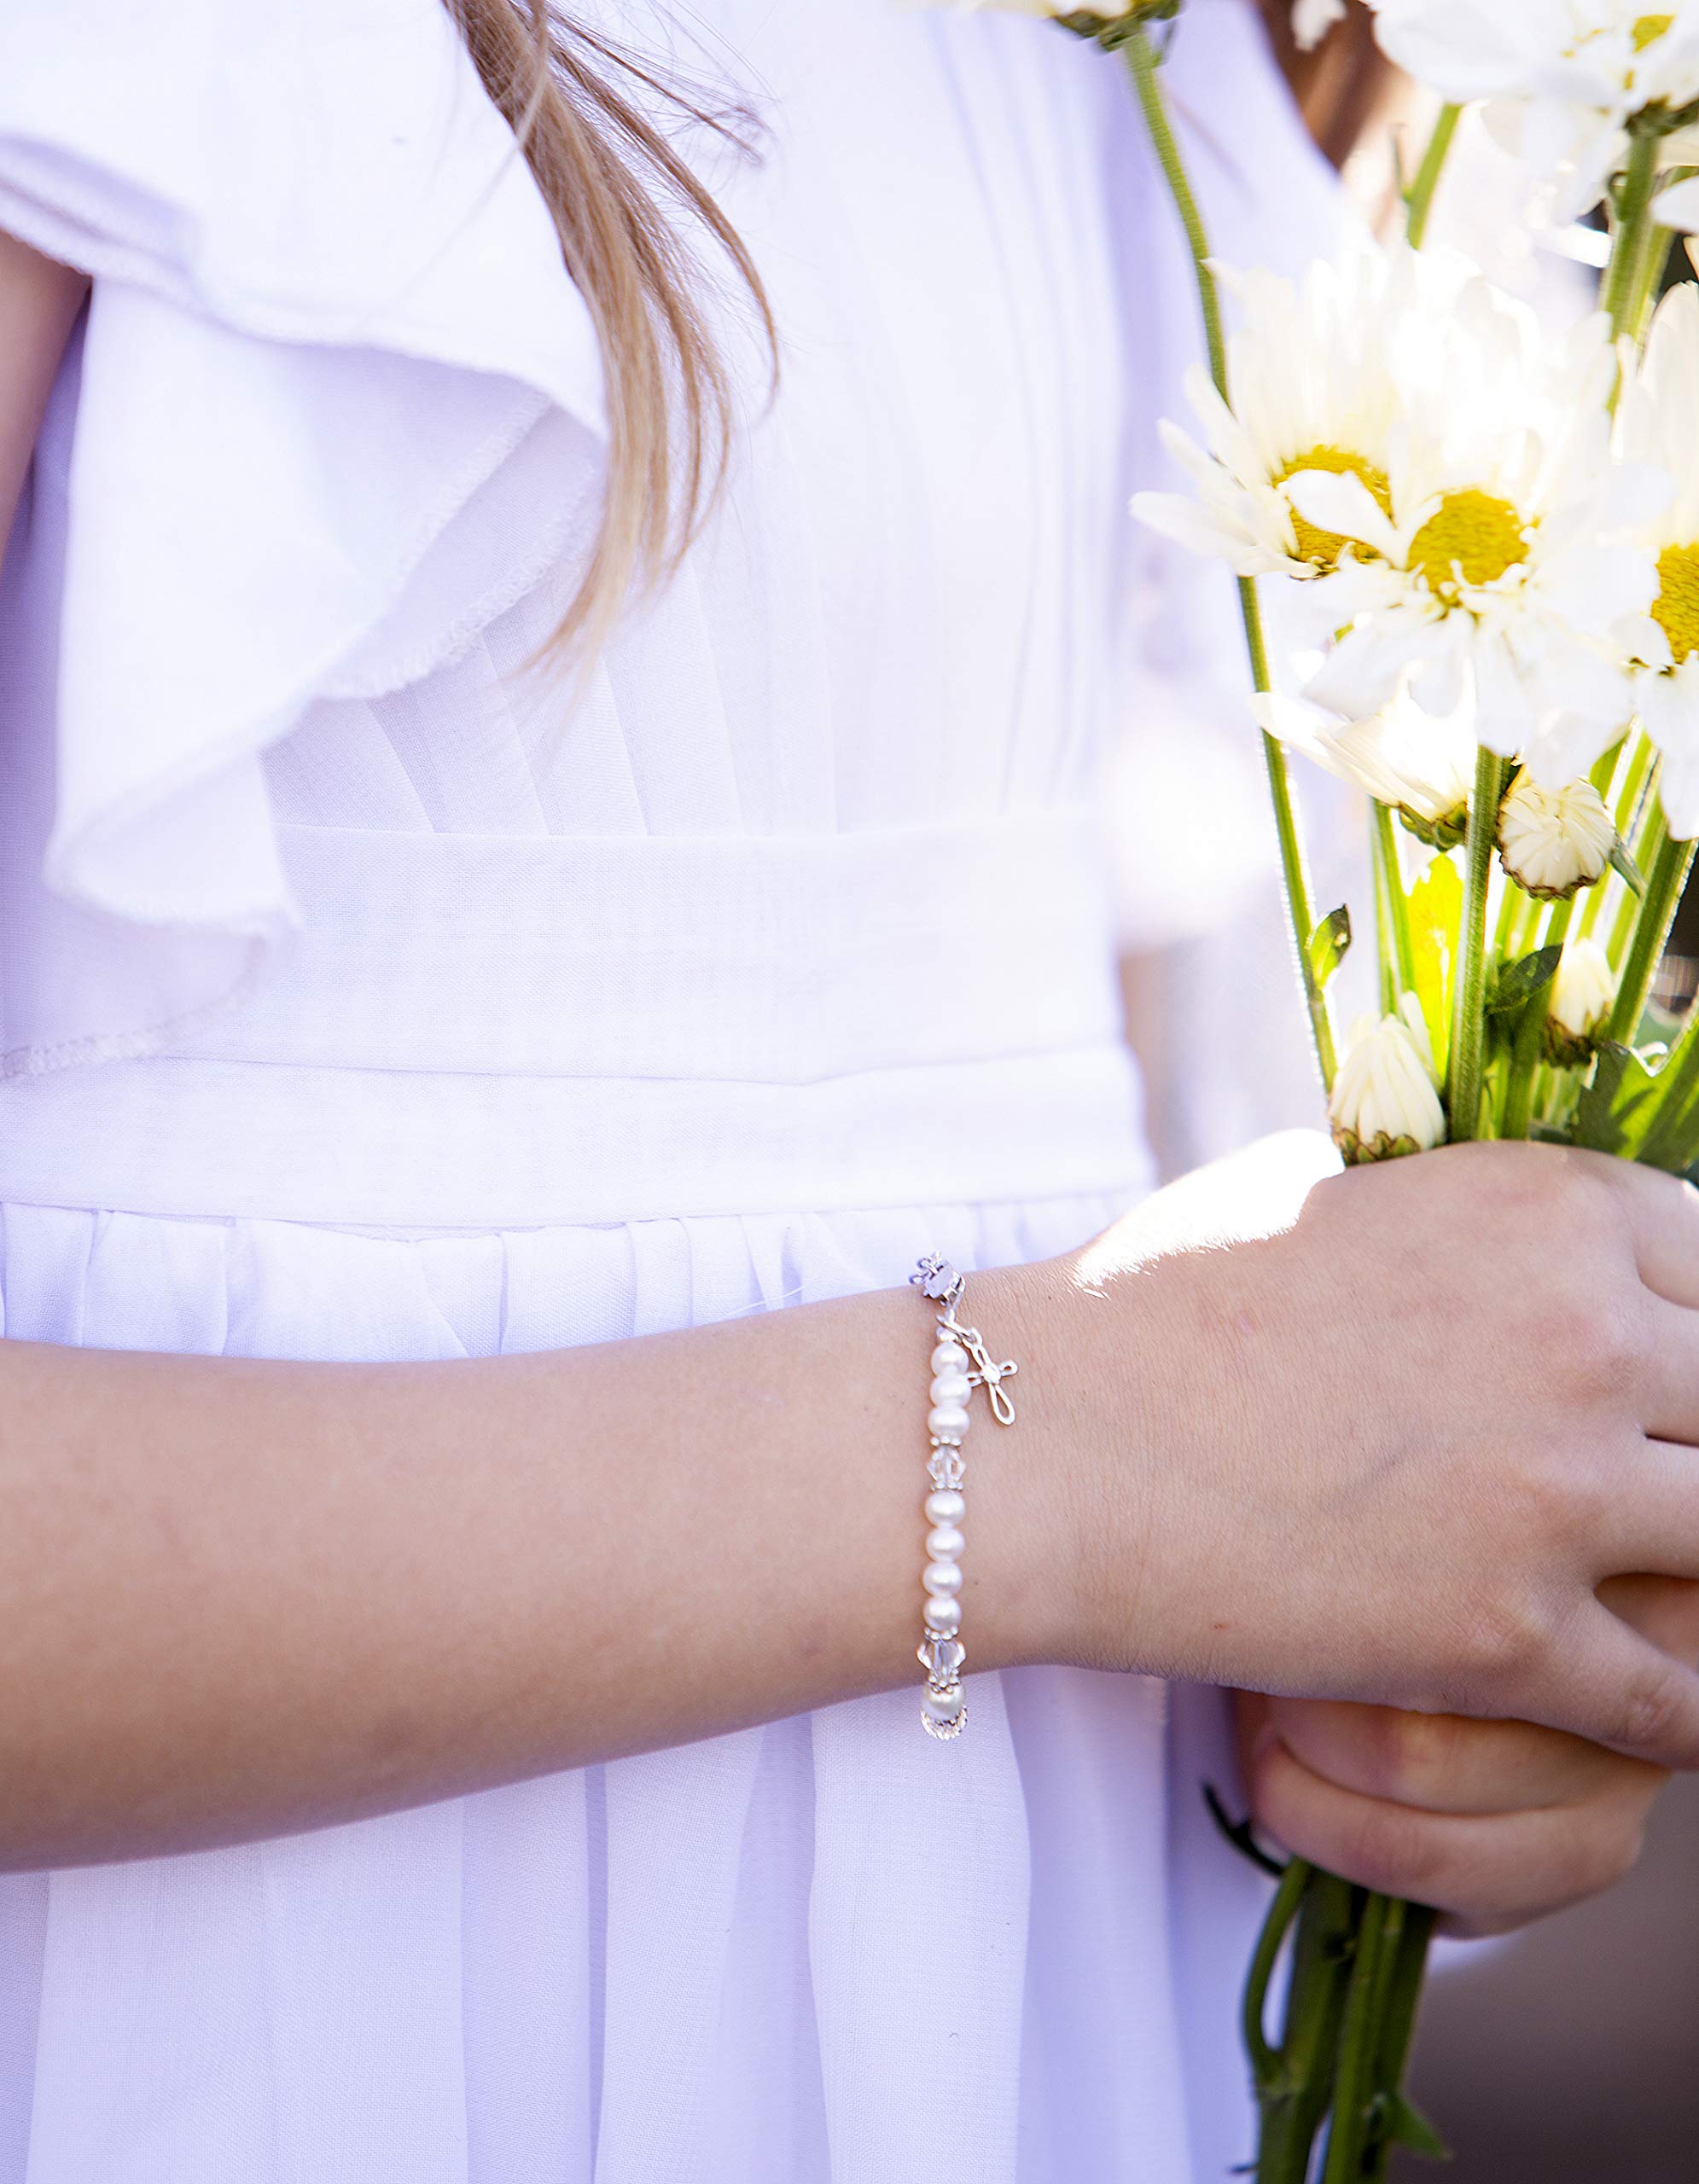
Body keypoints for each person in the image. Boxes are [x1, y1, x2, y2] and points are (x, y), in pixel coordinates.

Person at [0, 3, 1695, 2177]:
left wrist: (1409, 1626)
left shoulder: (1141, 67)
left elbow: (1069, 1185)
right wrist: (1099, 1448)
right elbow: (1115, 1402)